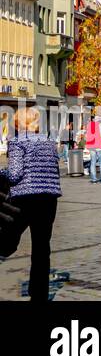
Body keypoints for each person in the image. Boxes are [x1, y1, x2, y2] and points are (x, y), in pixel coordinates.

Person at [0, 105, 62, 301]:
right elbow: (55, 171)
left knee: (7, 238)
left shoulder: (18, 142)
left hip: (25, 199)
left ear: (20, 123)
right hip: (49, 199)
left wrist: (1, 173)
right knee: (42, 250)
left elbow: (15, 174)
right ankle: (39, 296)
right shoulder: (50, 142)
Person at [85, 106, 101, 183]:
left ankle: (94, 178)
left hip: (91, 146)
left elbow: (86, 136)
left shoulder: (89, 124)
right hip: (98, 146)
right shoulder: (100, 124)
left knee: (93, 162)